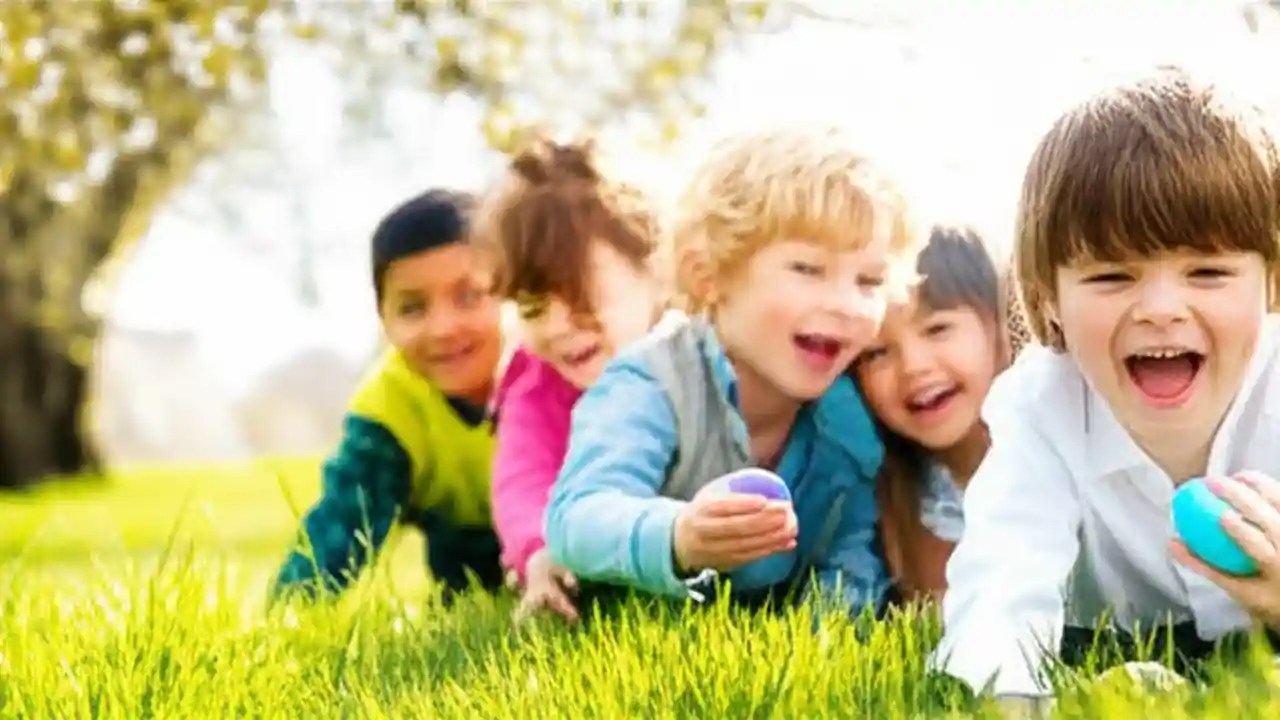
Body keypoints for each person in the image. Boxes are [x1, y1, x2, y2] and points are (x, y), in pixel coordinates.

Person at [933, 67, 1280, 716]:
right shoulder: (1041, 408)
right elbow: (1002, 576)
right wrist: (1012, 696)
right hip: (1108, 643)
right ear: (1048, 301)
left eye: (1207, 272)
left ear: (1272, 281)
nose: (1160, 308)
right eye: (1112, 276)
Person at [544, 127, 922, 616]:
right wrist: (679, 537)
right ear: (709, 275)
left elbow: (849, 554)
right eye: (807, 269)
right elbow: (578, 516)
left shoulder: (846, 427)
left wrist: (822, 639)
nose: (847, 304)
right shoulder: (653, 382)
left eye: (869, 281)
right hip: (636, 642)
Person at [271, 189, 509, 604]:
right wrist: (287, 618)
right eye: (413, 308)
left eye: (469, 296)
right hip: (467, 570)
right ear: (383, 319)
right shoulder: (390, 410)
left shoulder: (553, 375)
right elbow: (342, 527)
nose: (443, 328)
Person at [478, 139, 667, 623]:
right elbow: (522, 481)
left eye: (581, 293)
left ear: (656, 271)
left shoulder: (699, 356)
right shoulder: (537, 387)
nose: (559, 325)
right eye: (534, 307)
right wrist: (541, 549)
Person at [852, 225, 1009, 604]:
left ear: (999, 326)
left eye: (937, 329)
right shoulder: (888, 490)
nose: (913, 367)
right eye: (876, 353)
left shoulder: (1059, 452)